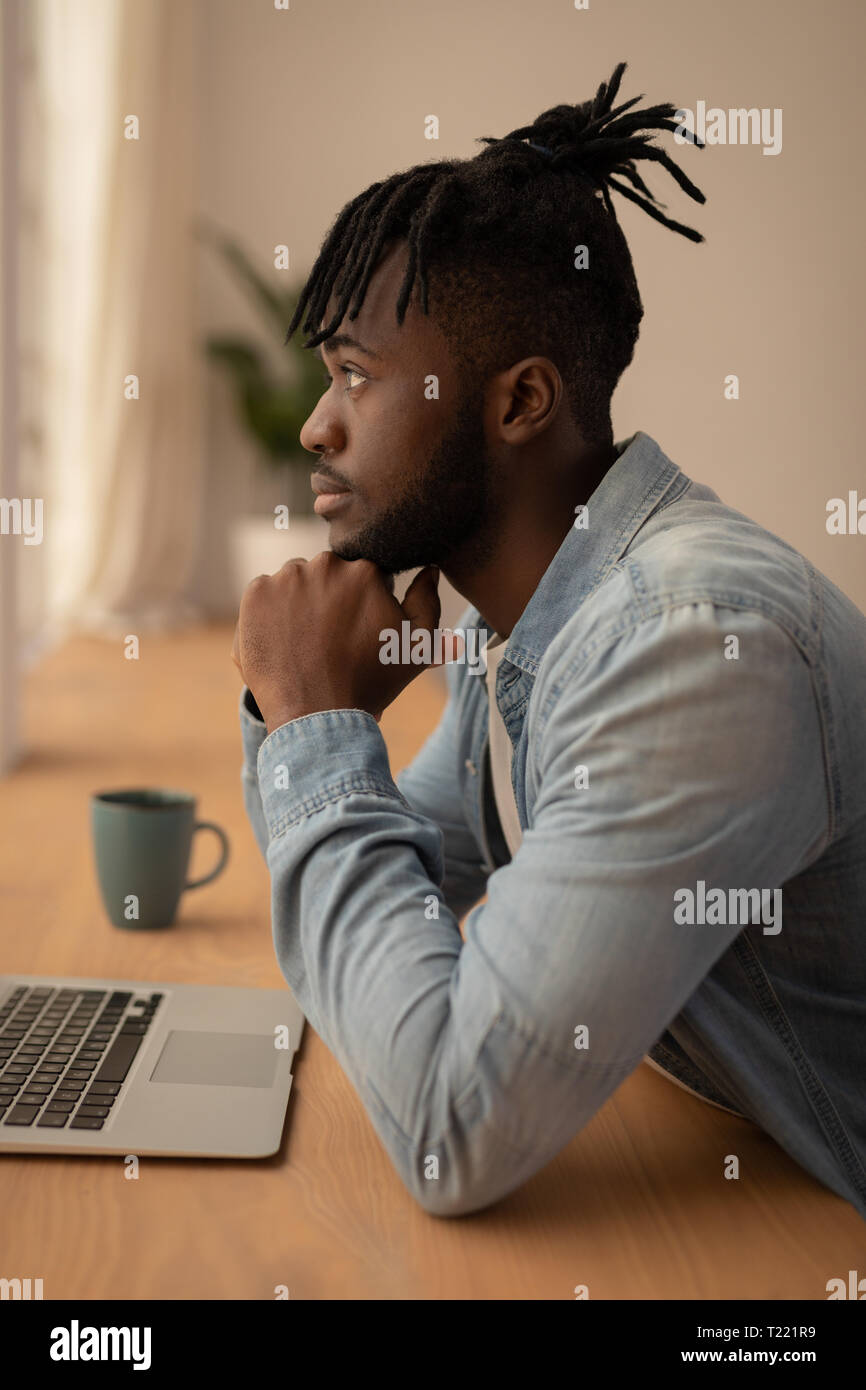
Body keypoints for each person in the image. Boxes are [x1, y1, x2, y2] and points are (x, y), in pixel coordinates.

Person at [232, 63, 866, 1219]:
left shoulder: (684, 650)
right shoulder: (533, 612)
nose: (316, 425)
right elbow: (422, 853)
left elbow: (447, 1128)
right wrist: (304, 718)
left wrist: (315, 725)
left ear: (519, 402)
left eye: (355, 378)